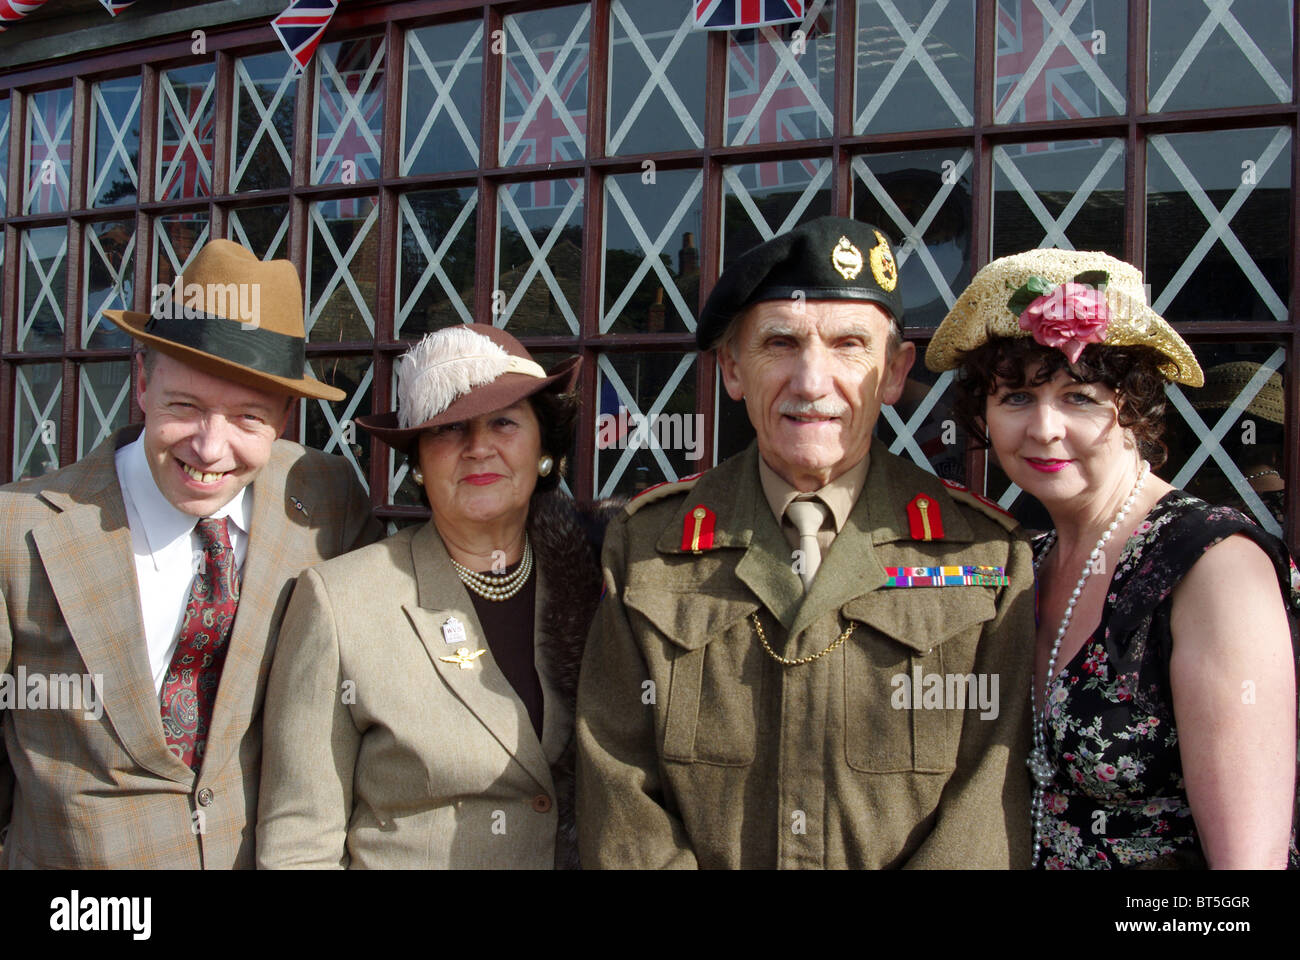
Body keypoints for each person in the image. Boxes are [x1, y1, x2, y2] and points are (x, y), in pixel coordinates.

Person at [576, 216, 1037, 869]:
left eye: (849, 344)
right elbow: (619, 786)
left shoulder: (984, 557)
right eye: (781, 343)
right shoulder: (648, 544)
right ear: (733, 369)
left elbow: (987, 805)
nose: (812, 381)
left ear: (895, 372)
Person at [0, 239, 380, 868]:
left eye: (248, 419)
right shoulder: (17, 531)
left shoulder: (325, 498)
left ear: (284, 418)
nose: (210, 448)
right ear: (144, 382)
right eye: (186, 407)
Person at [928, 248, 1299, 869]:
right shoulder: (1025, 561)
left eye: (1079, 396)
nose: (1044, 428)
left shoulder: (1210, 565)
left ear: (1134, 407)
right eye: (1016, 397)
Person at [257, 323, 610, 869]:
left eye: (503, 423)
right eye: (448, 430)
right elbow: (300, 837)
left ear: (545, 448)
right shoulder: (339, 601)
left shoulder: (600, 583)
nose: (478, 448)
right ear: (418, 462)